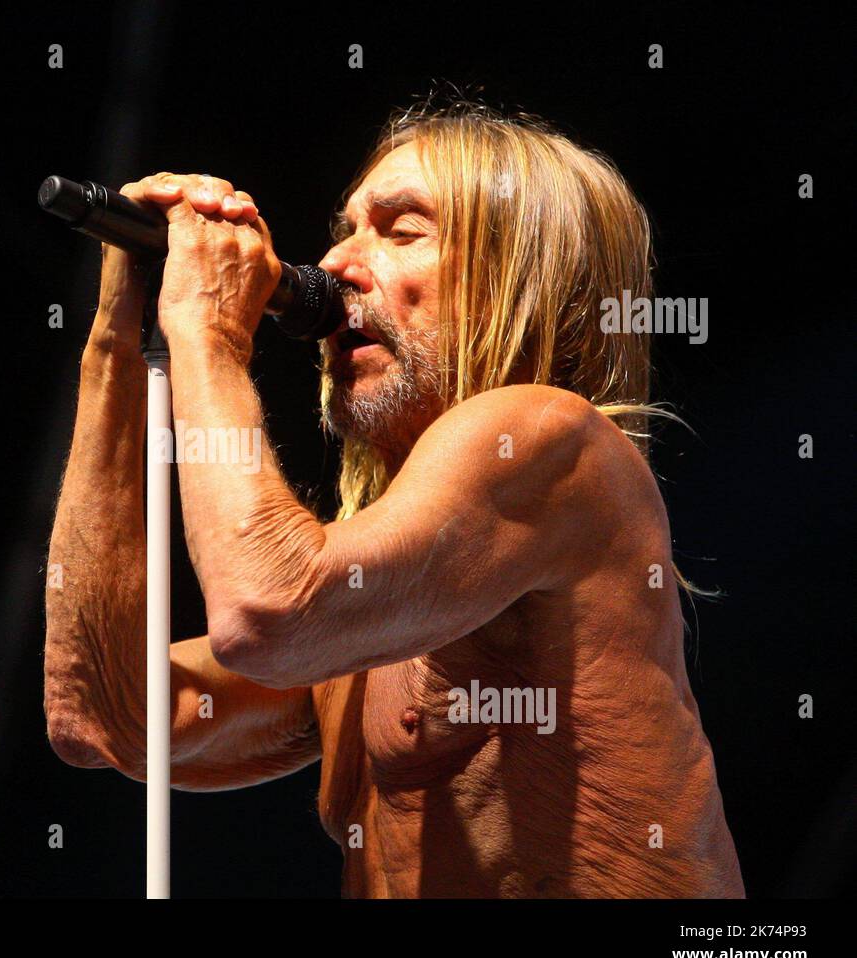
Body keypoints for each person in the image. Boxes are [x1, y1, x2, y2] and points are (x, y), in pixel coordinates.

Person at [43, 100, 744, 898]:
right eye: (346, 227)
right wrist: (115, 346)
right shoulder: (365, 586)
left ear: (521, 279)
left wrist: (209, 328)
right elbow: (102, 714)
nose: (338, 261)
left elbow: (265, 606)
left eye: (401, 230)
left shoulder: (555, 441)